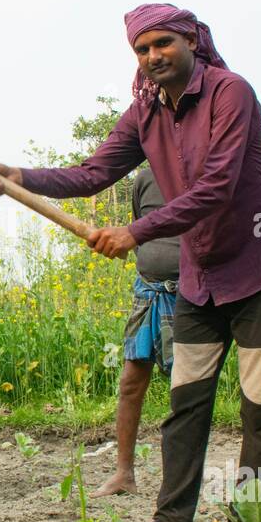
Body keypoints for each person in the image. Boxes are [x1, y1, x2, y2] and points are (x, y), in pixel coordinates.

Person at [0, 4, 261, 522]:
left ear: (191, 41)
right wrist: (19, 177)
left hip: (258, 269)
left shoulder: (230, 93)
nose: (152, 57)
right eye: (142, 50)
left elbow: (216, 186)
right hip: (200, 278)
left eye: (162, 44)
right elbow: (93, 173)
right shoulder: (144, 112)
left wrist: (135, 232)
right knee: (186, 402)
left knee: (259, 405)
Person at [89, 166, 181, 499]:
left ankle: (178, 480)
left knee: (185, 389)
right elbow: (139, 232)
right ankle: (123, 473)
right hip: (148, 292)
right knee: (131, 380)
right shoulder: (144, 179)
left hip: (187, 294)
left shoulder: (203, 173)